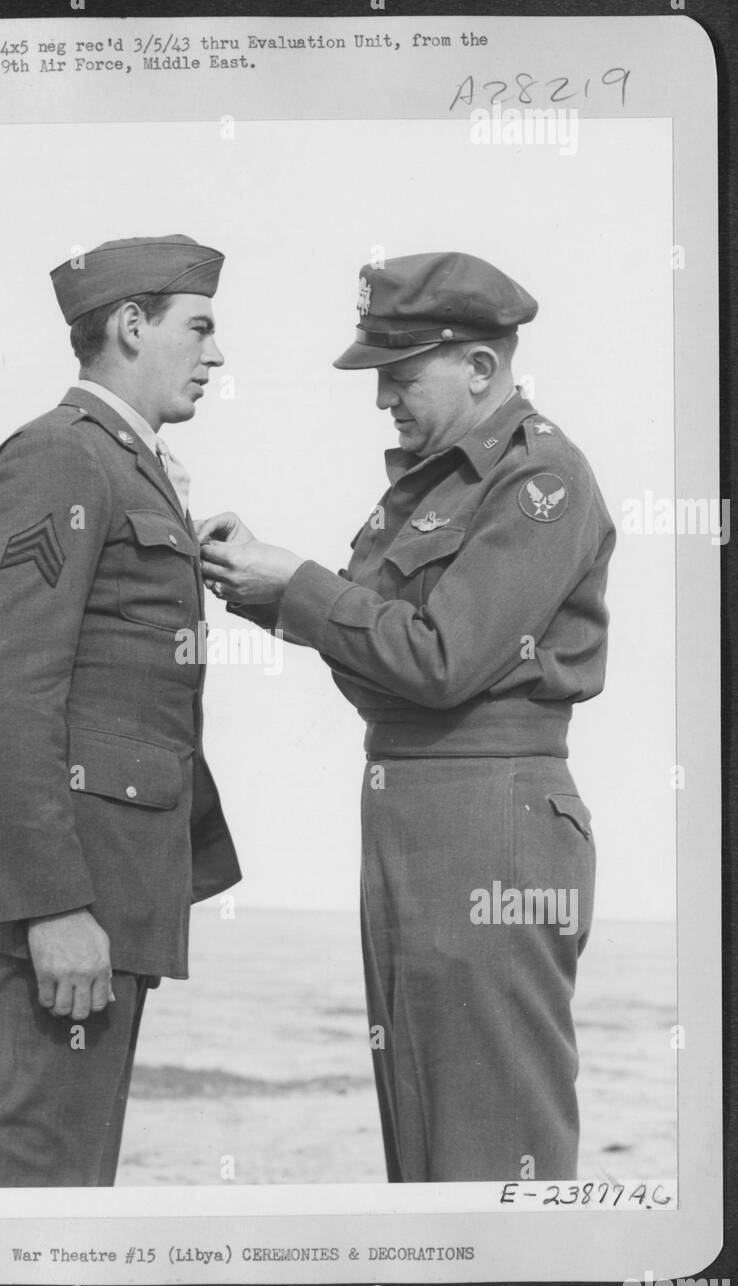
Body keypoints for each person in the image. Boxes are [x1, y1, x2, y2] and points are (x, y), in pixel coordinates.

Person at [199, 251, 616, 1182]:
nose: (384, 395)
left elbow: (437, 660)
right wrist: (265, 589)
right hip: (417, 810)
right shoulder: (434, 482)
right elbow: (382, 659)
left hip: (490, 816)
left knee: (499, 1143)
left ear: (479, 365)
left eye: (401, 372)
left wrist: (298, 587)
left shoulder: (540, 477)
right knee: (426, 1131)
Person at [0, 233, 241, 1187]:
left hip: (109, 897)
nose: (217, 356)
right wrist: (55, 906)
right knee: (16, 1187)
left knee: (65, 1199)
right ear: (131, 326)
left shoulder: (123, 465)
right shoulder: (61, 460)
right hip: (64, 908)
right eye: (200, 328)